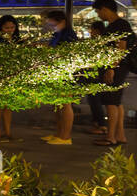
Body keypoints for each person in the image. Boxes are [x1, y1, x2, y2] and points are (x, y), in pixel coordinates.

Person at [92, 0, 136, 147]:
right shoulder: (116, 25)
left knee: (111, 103)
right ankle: (120, 135)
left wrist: (111, 68)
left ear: (104, 9)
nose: (98, 15)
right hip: (117, 68)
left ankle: (110, 137)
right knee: (117, 103)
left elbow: (120, 49)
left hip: (116, 68)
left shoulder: (119, 25)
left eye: (98, 11)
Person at [40, 10, 77, 145]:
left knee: (65, 104)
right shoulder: (58, 33)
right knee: (58, 104)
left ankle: (65, 136)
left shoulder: (68, 35)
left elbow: (66, 53)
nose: (49, 24)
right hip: (57, 72)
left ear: (61, 21)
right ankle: (59, 134)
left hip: (65, 72)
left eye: (51, 21)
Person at [0, 15, 22, 142]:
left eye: (12, 27)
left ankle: (8, 132)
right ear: (1, 27)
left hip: (12, 74)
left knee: (8, 105)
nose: (10, 30)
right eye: (7, 27)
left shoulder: (17, 39)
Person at [84, 21, 109, 135]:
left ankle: (101, 125)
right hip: (96, 74)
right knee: (94, 100)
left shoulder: (99, 43)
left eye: (92, 30)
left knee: (95, 100)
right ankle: (97, 123)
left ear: (97, 30)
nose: (90, 32)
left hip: (95, 75)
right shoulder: (103, 42)